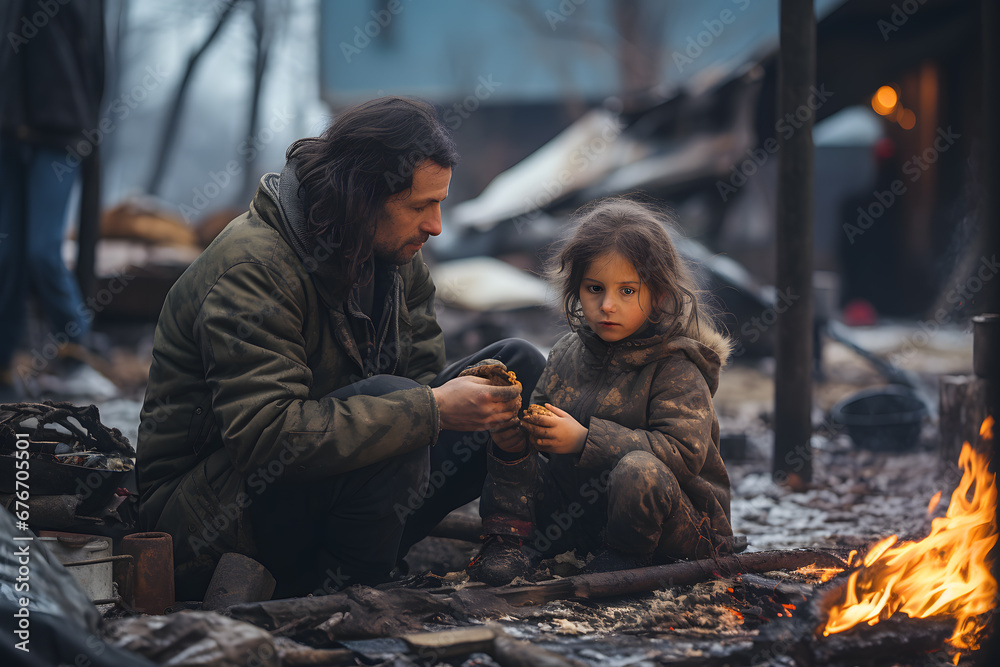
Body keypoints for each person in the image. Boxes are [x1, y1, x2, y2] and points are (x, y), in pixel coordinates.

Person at [135, 97, 545, 600]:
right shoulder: (253, 271)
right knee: (408, 410)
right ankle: (347, 591)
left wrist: (438, 405)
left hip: (328, 489)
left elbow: (422, 378)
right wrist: (429, 408)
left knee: (518, 365)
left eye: (440, 204)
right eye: (419, 206)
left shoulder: (393, 254)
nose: (436, 225)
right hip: (211, 519)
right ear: (361, 198)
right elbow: (266, 440)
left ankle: (513, 538)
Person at [468, 197, 735, 586]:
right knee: (510, 448)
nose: (608, 305)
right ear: (577, 290)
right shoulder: (565, 354)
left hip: (679, 530)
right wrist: (520, 433)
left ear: (659, 295)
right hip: (584, 519)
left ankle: (626, 557)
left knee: (639, 469)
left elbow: (682, 454)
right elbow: (538, 431)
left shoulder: (677, 367)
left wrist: (584, 440)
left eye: (627, 291)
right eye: (595, 288)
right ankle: (507, 542)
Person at [0, 1, 109, 402]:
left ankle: (79, 355)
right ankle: (2, 369)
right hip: (8, 128)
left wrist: (89, 124)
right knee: (6, 255)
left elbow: (96, 58)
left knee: (40, 251)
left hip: (62, 129)